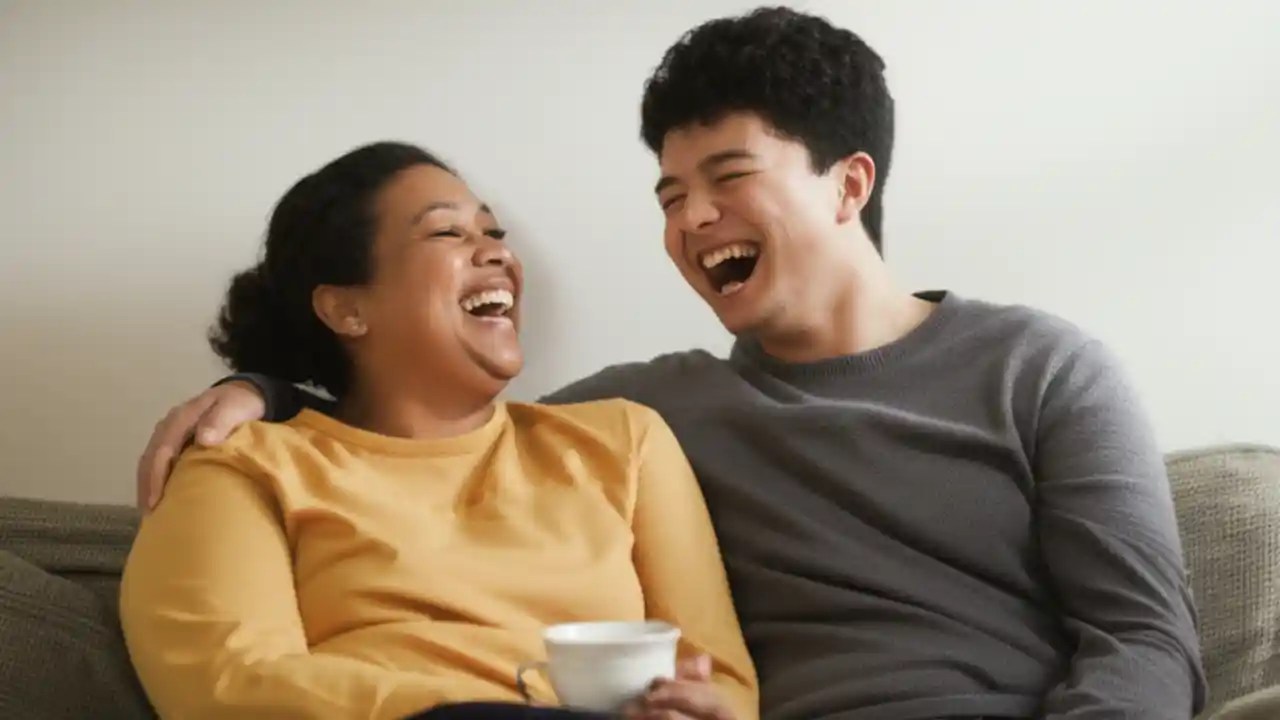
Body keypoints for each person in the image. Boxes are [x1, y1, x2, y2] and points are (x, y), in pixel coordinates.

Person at [136, 7, 1207, 720]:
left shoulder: (1044, 371)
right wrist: (265, 387)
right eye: (666, 195)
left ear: (847, 185)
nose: (691, 218)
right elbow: (422, 437)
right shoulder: (652, 413)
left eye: (726, 177)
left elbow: (1144, 642)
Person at [119, 141, 758, 720]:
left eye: (495, 232)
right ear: (346, 308)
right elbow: (233, 686)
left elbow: (722, 679)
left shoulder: (624, 441)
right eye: (447, 232)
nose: (499, 253)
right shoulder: (240, 464)